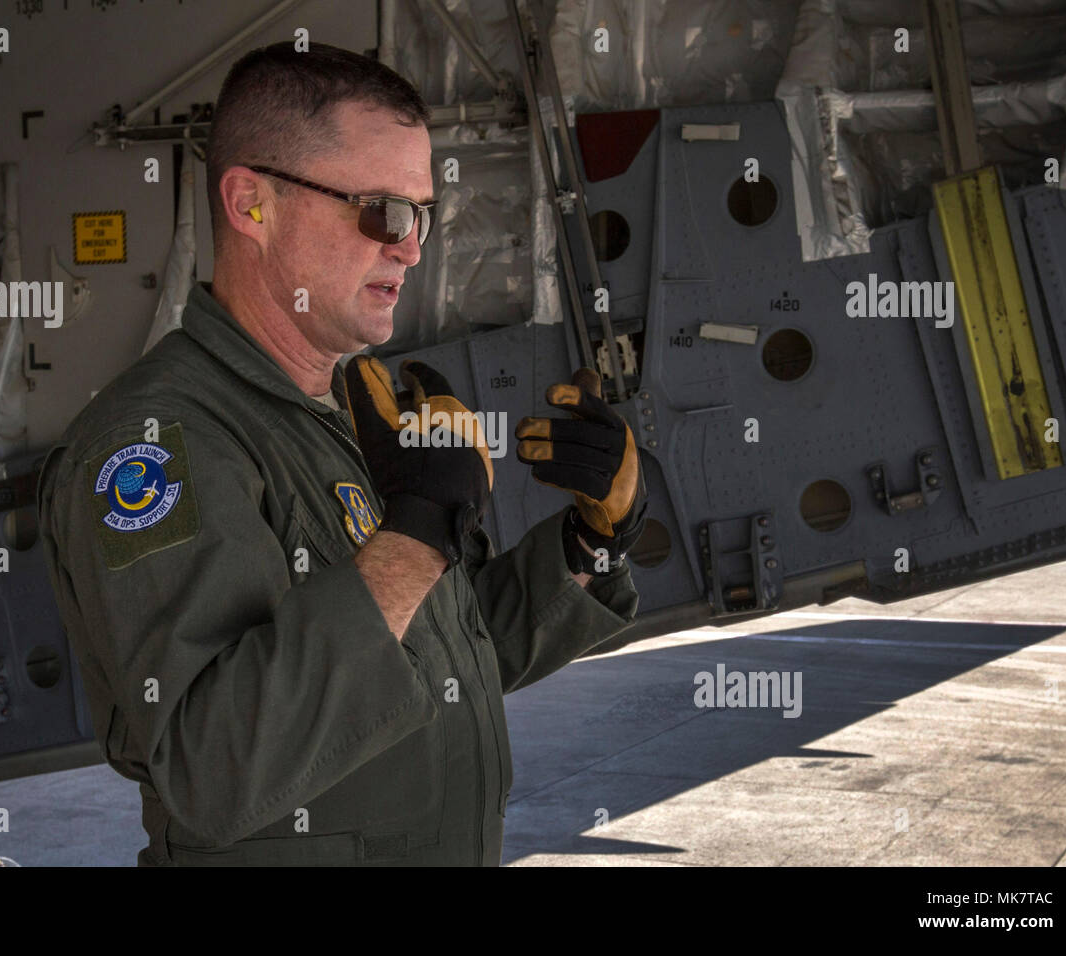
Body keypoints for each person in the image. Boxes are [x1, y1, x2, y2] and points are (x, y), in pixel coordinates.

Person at [35, 40, 646, 866]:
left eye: (424, 214)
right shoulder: (157, 445)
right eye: (382, 212)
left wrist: (587, 546)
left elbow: (436, 668)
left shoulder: (351, 409)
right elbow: (215, 767)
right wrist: (419, 531)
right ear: (252, 205)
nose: (412, 247)